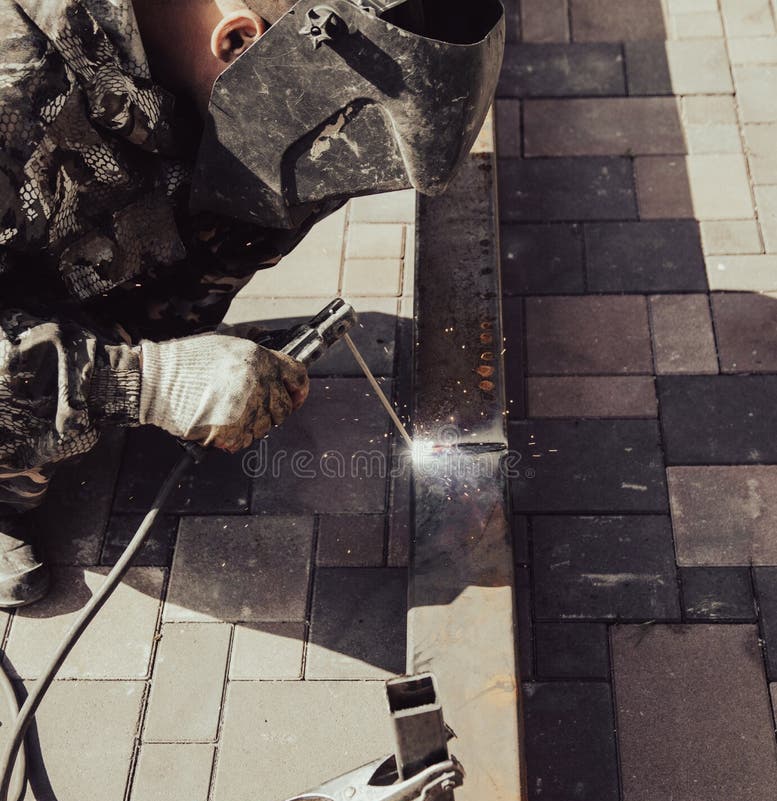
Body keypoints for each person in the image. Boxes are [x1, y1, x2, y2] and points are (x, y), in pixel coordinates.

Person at [0, 0, 504, 607]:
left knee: (265, 182)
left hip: (46, 251)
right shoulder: (14, 86)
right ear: (238, 41)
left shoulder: (208, 54)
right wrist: (140, 383)